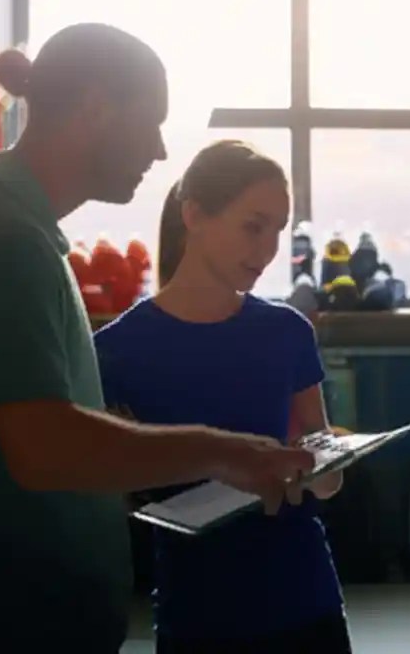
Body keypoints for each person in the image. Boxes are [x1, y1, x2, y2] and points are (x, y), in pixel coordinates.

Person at [0, 23, 315, 653]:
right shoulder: (5, 240)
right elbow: (40, 445)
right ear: (95, 108)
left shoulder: (32, 236)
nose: (161, 151)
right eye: (152, 123)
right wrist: (223, 452)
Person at [94, 139, 351, 653]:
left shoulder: (287, 332)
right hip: (198, 609)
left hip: (304, 597)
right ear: (193, 215)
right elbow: (103, 495)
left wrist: (324, 462)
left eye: (278, 230)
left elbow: (327, 476)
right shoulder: (114, 351)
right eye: (253, 226)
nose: (268, 249)